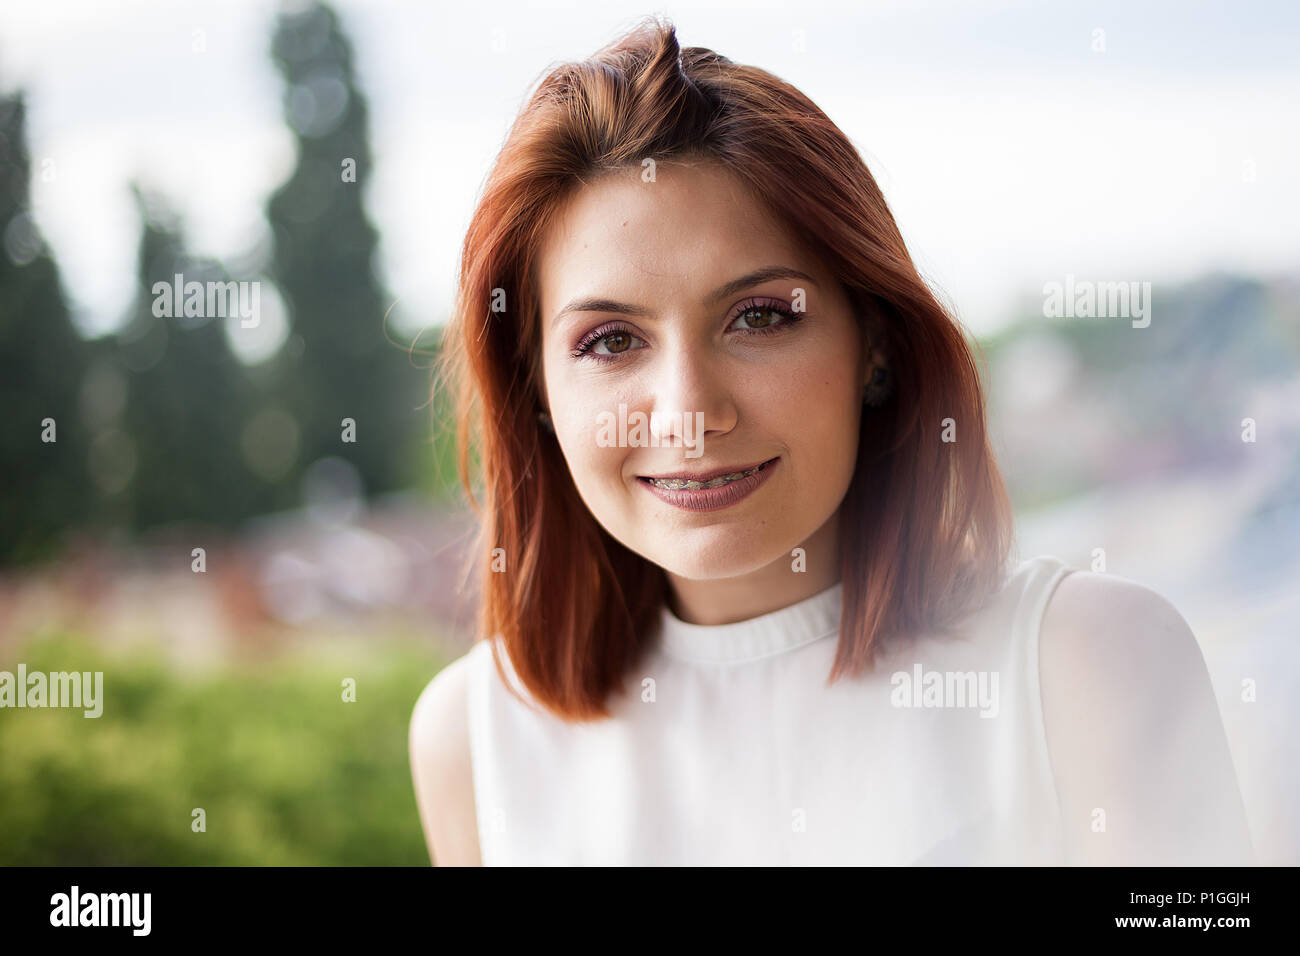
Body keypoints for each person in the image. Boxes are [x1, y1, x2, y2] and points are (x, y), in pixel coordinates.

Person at [408, 16, 1253, 866]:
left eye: (760, 317)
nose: (690, 412)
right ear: (539, 392)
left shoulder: (1090, 662)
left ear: (875, 347)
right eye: (612, 341)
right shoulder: (473, 742)